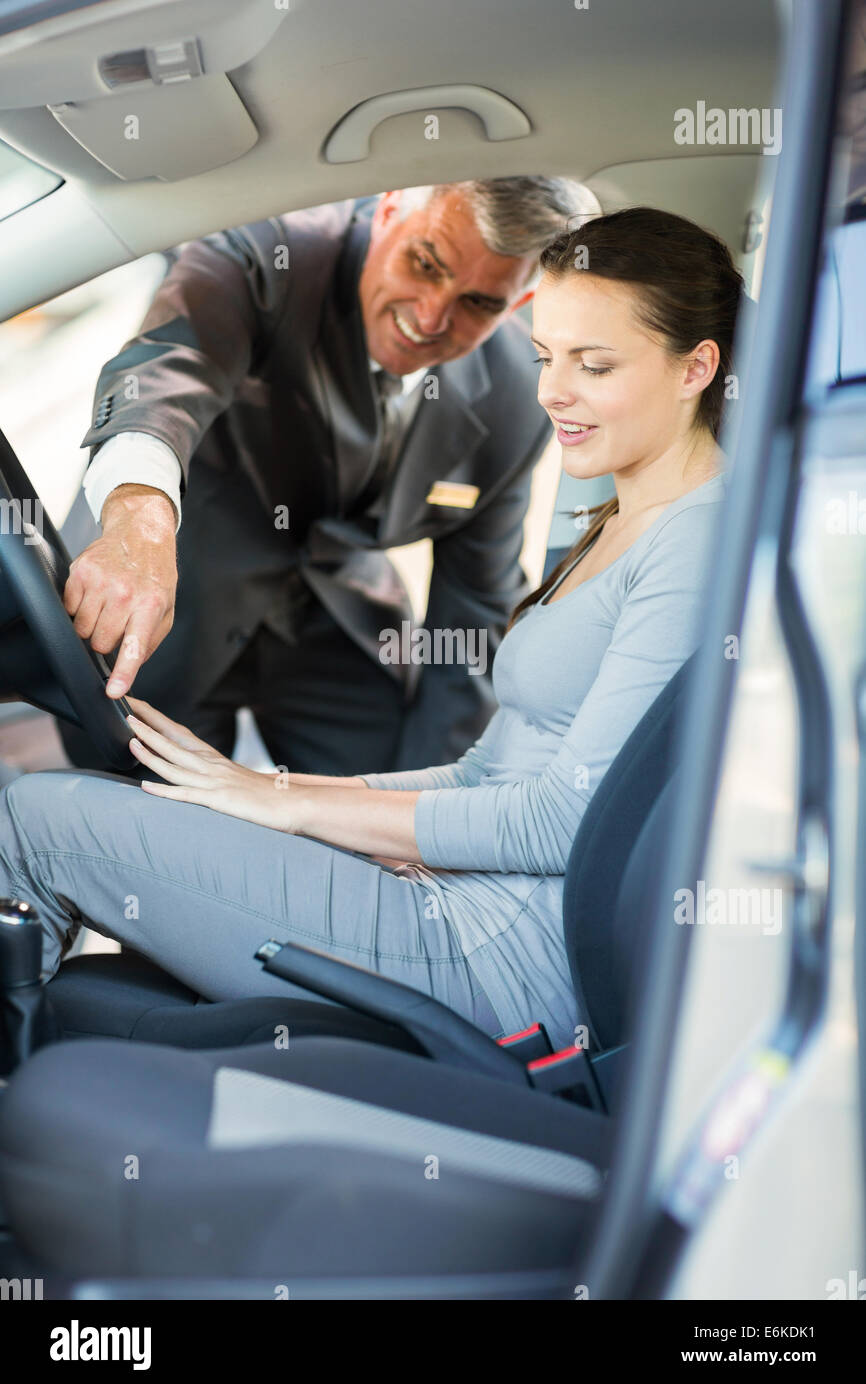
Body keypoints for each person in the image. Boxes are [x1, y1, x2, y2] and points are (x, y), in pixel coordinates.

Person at [0, 207, 742, 1051]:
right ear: (391, 213)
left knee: (33, 818)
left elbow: (559, 821)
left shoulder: (694, 542)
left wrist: (280, 803)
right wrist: (276, 796)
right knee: (124, 818)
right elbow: (486, 773)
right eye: (546, 357)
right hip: (455, 893)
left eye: (594, 365)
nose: (551, 392)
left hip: (486, 948)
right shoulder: (618, 520)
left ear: (696, 368)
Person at [58, 178, 593, 776]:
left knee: (373, 809)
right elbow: (164, 373)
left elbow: (473, 608)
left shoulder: (521, 395)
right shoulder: (270, 246)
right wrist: (140, 520)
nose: (430, 316)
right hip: (167, 600)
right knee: (150, 829)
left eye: (479, 303)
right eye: (425, 262)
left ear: (517, 303)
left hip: (338, 624)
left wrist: (427, 809)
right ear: (389, 207)